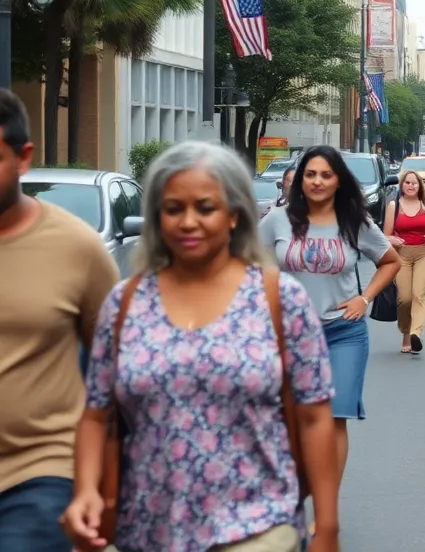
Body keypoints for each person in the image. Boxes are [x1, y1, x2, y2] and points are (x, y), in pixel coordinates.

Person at [62, 141, 339, 552]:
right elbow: (96, 414)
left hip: (258, 524)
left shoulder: (280, 300)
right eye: (173, 209)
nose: (188, 221)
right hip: (147, 529)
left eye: (205, 208)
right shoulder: (125, 304)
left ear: (233, 215)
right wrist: (86, 491)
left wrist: (327, 527)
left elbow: (315, 417)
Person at [0, 91, 119, 552]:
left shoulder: (77, 248)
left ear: (24, 157)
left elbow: (111, 375)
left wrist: (103, 491)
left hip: (36, 470)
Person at [260, 145, 399, 497]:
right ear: (299, 180)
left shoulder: (355, 221)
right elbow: (248, 269)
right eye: (310, 174)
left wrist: (364, 297)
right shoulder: (277, 220)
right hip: (289, 335)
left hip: (342, 332)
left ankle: (325, 506)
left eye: (326, 174)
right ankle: (295, 492)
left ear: (339, 181)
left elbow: (390, 261)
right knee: (293, 418)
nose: (317, 181)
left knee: (333, 417)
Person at [383, 170, 425, 354]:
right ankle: (406, 332)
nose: (411, 186)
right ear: (402, 185)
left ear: (419, 186)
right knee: (404, 298)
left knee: (419, 293)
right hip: (402, 255)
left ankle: (416, 333)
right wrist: (392, 240)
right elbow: (385, 235)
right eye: (407, 183)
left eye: (414, 183)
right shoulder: (394, 206)